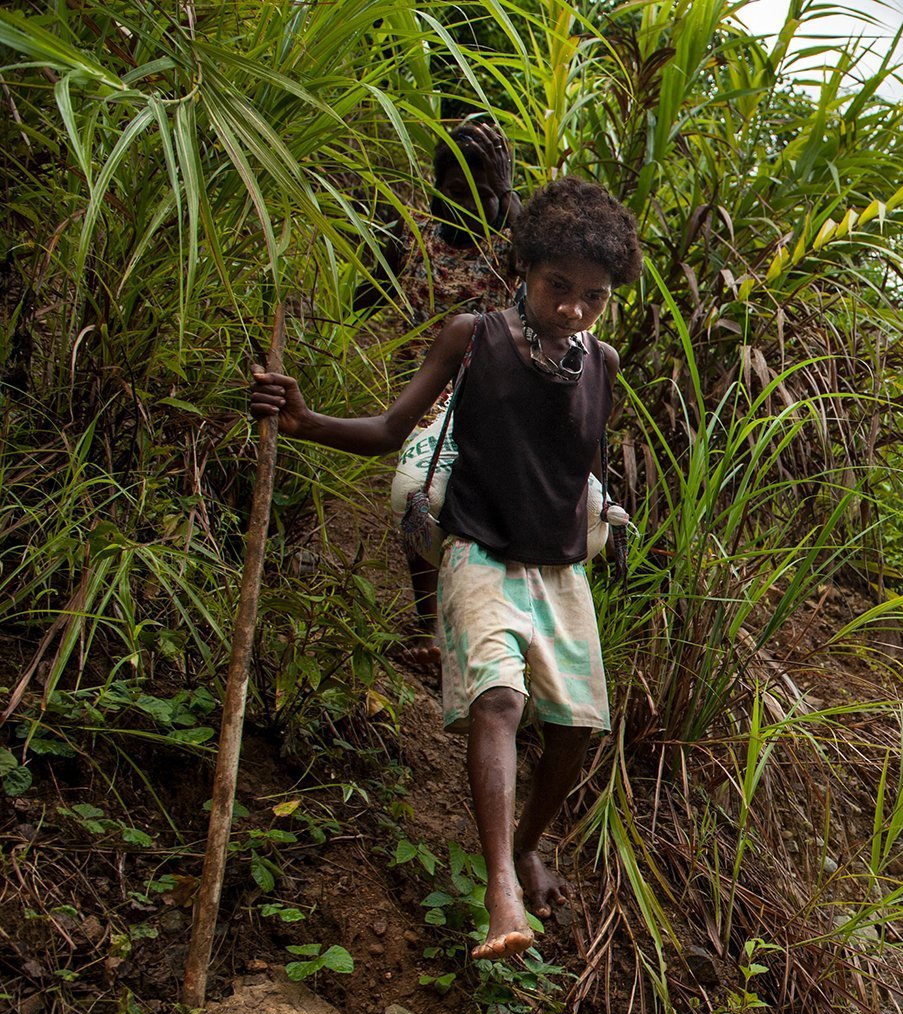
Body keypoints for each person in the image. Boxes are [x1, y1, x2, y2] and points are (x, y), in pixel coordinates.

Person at [251, 177, 643, 961]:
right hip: (479, 549)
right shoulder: (475, 336)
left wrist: (609, 521)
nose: (571, 309)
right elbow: (392, 428)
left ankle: (528, 844)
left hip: (559, 571)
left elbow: (580, 469)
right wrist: (305, 421)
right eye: (556, 287)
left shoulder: (599, 364)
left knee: (577, 732)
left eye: (591, 297)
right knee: (498, 699)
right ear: (525, 270)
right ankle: (501, 889)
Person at [367, 120, 523, 673]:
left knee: (479, 518)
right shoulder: (415, 234)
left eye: (479, 193)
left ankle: (486, 635)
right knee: (418, 499)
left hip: (495, 403)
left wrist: (506, 194)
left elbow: (538, 263)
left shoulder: (512, 246)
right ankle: (425, 626)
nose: (465, 205)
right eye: (454, 192)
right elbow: (370, 293)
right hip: (422, 397)